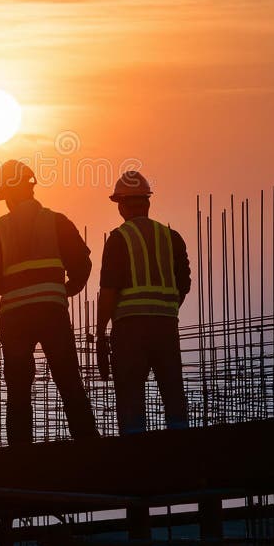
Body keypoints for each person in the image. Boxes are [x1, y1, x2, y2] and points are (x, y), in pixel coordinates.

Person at [0, 159, 98, 445]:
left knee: (18, 390)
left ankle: (20, 454)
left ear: (8, 194)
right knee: (69, 381)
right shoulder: (56, 221)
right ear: (30, 188)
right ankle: (89, 445)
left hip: (15, 320)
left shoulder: (1, 229)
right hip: (51, 314)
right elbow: (82, 264)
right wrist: (66, 290)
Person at [96, 170, 191, 434]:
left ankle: (134, 451)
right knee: (172, 389)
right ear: (147, 203)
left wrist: (101, 332)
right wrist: (164, 308)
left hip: (130, 330)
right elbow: (184, 285)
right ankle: (182, 447)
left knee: (130, 394)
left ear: (122, 205)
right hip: (166, 326)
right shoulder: (171, 237)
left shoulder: (118, 239)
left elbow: (109, 291)